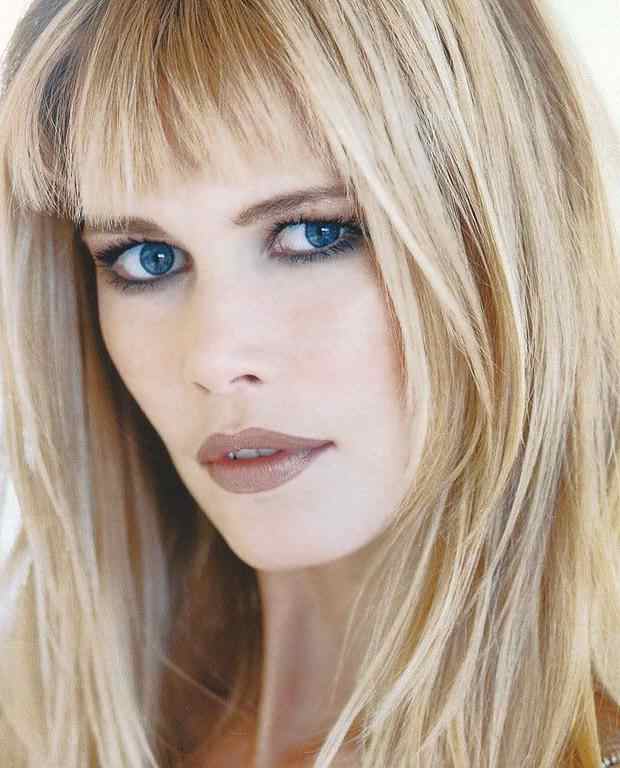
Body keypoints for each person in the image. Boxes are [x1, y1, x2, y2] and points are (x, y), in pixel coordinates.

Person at [0, 0, 618, 766]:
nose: (214, 358)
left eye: (314, 234)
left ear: (503, 241)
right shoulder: (35, 729)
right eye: (145, 258)